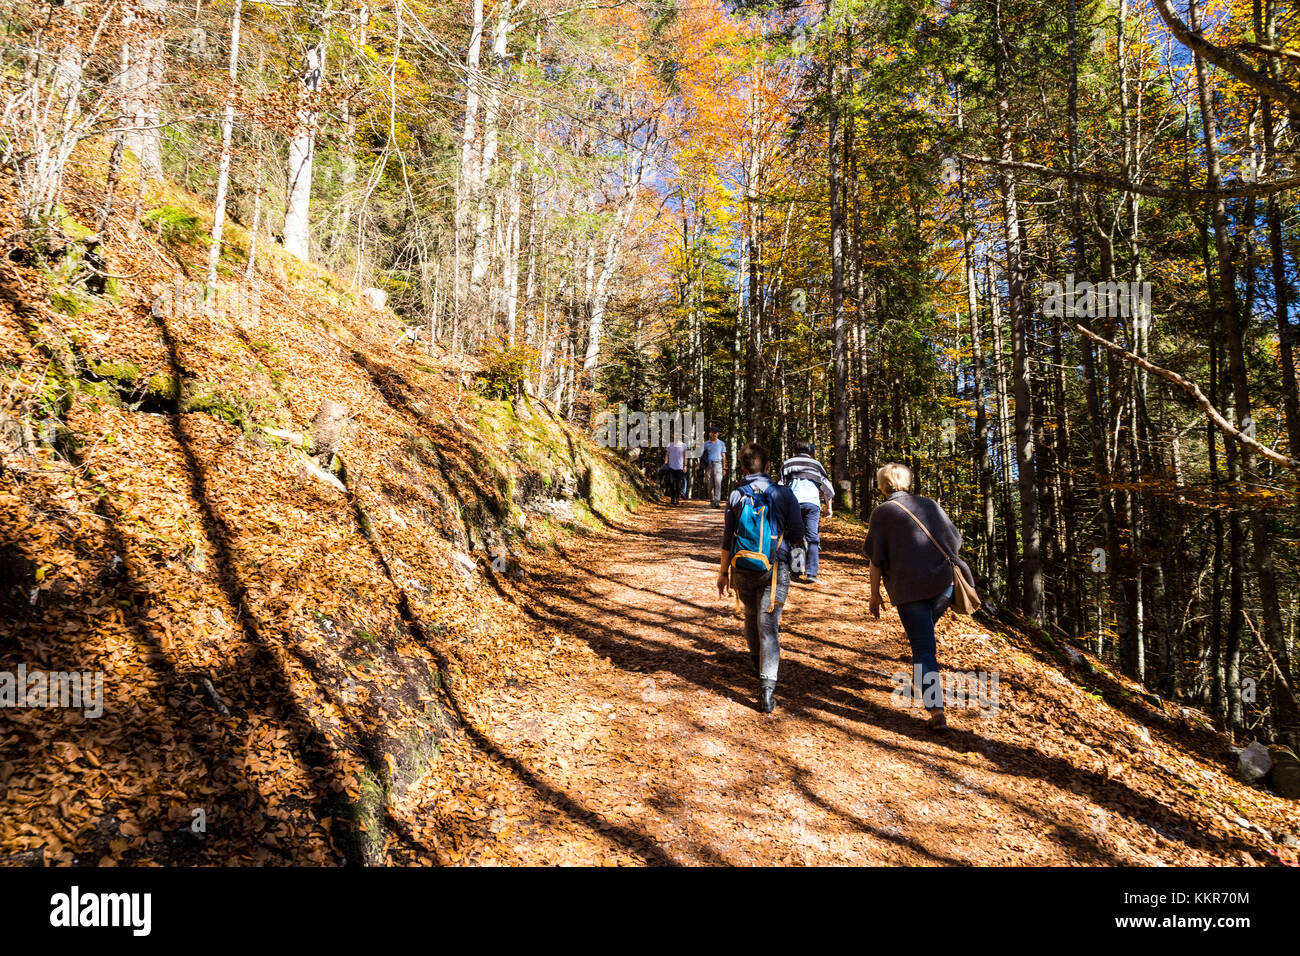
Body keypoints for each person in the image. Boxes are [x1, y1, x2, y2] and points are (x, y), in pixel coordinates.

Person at [864, 462, 974, 732]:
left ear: (882, 485)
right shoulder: (930, 504)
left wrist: (874, 594)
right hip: (942, 585)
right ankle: (930, 691)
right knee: (924, 641)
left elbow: (875, 559)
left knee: (923, 648)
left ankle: (936, 708)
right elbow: (955, 540)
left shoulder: (882, 513)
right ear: (907, 482)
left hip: (909, 590)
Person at [717, 442, 806, 714]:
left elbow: (726, 538)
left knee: (750, 615)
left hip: (741, 566)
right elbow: (798, 533)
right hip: (775, 567)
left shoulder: (736, 495)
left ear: (743, 467)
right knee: (769, 626)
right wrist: (799, 566)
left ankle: (757, 666)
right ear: (768, 466)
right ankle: (767, 690)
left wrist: (722, 574)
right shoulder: (784, 493)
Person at [779, 439, 833, 584]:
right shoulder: (817, 464)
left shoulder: (788, 463)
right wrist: (829, 507)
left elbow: (781, 486)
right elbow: (827, 488)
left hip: (793, 503)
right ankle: (811, 573)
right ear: (809, 450)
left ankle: (796, 570)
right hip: (812, 503)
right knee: (812, 537)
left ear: (793, 450)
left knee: (794, 535)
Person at [700, 427, 727, 507]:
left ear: (718, 434)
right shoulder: (706, 443)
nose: (714, 434)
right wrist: (699, 465)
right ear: (710, 433)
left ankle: (717, 501)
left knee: (718, 483)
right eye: (713, 432)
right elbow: (701, 455)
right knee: (709, 484)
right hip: (708, 465)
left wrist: (724, 468)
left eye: (716, 433)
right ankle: (712, 500)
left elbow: (724, 456)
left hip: (718, 464)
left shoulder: (721, 443)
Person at [664, 437, 687, 505]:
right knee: (671, 482)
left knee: (678, 484)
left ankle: (677, 499)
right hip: (671, 467)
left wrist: (685, 466)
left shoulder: (683, 445)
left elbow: (685, 456)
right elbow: (667, 455)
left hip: (679, 468)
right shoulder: (670, 445)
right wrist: (665, 464)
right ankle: (672, 498)